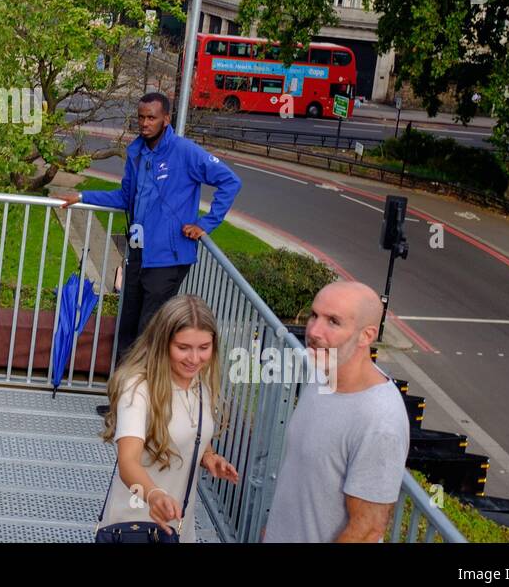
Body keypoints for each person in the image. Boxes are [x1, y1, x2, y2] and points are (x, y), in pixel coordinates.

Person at [58, 92, 241, 372]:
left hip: (168, 258)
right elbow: (125, 198)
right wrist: (83, 196)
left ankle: (140, 402)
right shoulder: (136, 152)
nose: (145, 123)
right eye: (141, 117)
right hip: (138, 255)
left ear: (166, 119)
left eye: (152, 118)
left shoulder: (184, 151)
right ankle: (120, 397)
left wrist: (206, 224)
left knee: (149, 332)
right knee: (127, 327)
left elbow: (230, 182)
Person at [262, 281, 410, 543]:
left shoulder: (379, 420)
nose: (314, 331)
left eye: (333, 321)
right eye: (314, 315)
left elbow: (366, 531)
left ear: (367, 336)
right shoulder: (323, 372)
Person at [96, 295, 239, 542]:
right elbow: (128, 461)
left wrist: (208, 457)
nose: (194, 359)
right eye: (183, 348)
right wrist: (154, 496)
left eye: (204, 348)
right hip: (135, 524)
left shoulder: (200, 383)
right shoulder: (138, 388)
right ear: (162, 342)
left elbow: (191, 431)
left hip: (179, 526)